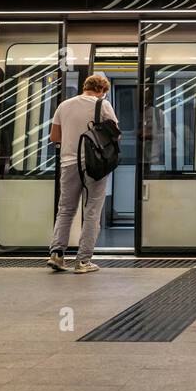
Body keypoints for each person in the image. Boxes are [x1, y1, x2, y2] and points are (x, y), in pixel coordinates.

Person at [47, 74, 119, 274]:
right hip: (94, 164)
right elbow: (116, 133)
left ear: (85, 86)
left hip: (68, 163)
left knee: (66, 209)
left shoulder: (64, 105)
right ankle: (83, 261)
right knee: (92, 212)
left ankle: (56, 254)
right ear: (102, 90)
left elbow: (54, 136)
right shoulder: (102, 105)